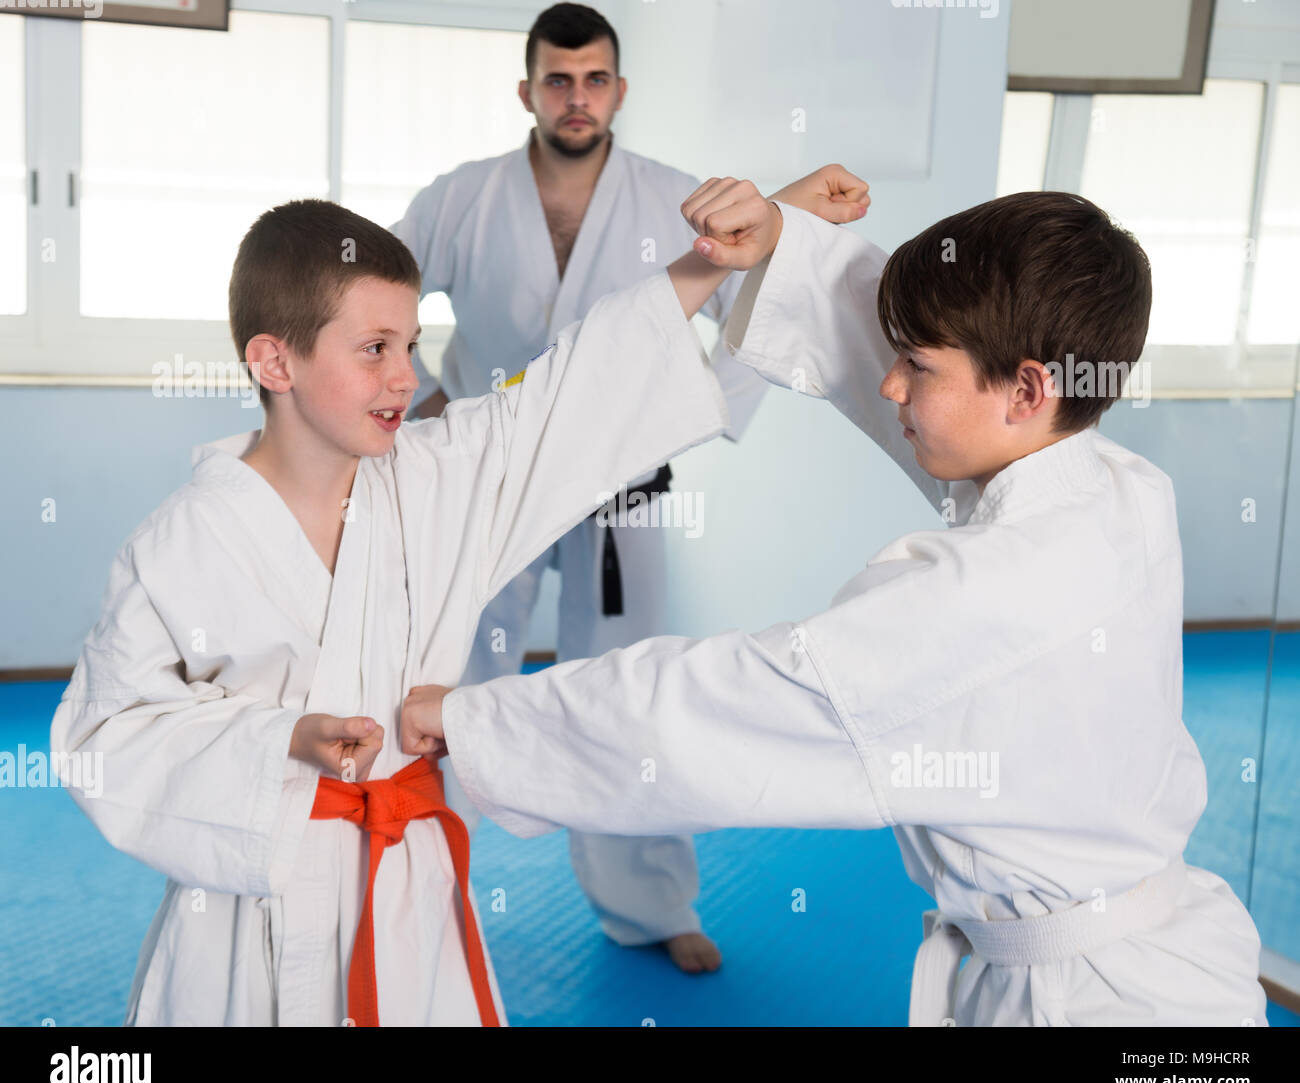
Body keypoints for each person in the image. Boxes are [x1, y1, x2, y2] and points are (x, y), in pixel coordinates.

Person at [400, 172, 1269, 1026]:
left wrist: (480, 721)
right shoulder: (1114, 486)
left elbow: (715, 710)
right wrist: (791, 249)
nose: (890, 384)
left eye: (916, 367)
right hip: (1167, 964)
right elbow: (934, 357)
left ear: (1031, 388)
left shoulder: (981, 602)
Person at [48, 190, 759, 1026]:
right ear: (275, 363)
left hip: (408, 877)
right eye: (375, 348)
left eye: (414, 345)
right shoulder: (182, 541)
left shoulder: (434, 479)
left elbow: (564, 400)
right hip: (249, 899)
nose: (406, 378)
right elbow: (103, 734)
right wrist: (283, 741)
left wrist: (703, 261)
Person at [390, 2, 767, 973]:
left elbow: (760, 302)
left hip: (623, 487)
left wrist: (696, 405)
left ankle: (649, 905)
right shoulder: (461, 198)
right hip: (487, 481)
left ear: (619, 91)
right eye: (557, 80)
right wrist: (422, 395)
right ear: (526, 90)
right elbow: (375, 296)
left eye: (594, 79)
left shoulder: (673, 200)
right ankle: (426, 893)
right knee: (454, 685)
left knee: (632, 688)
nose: (576, 97)